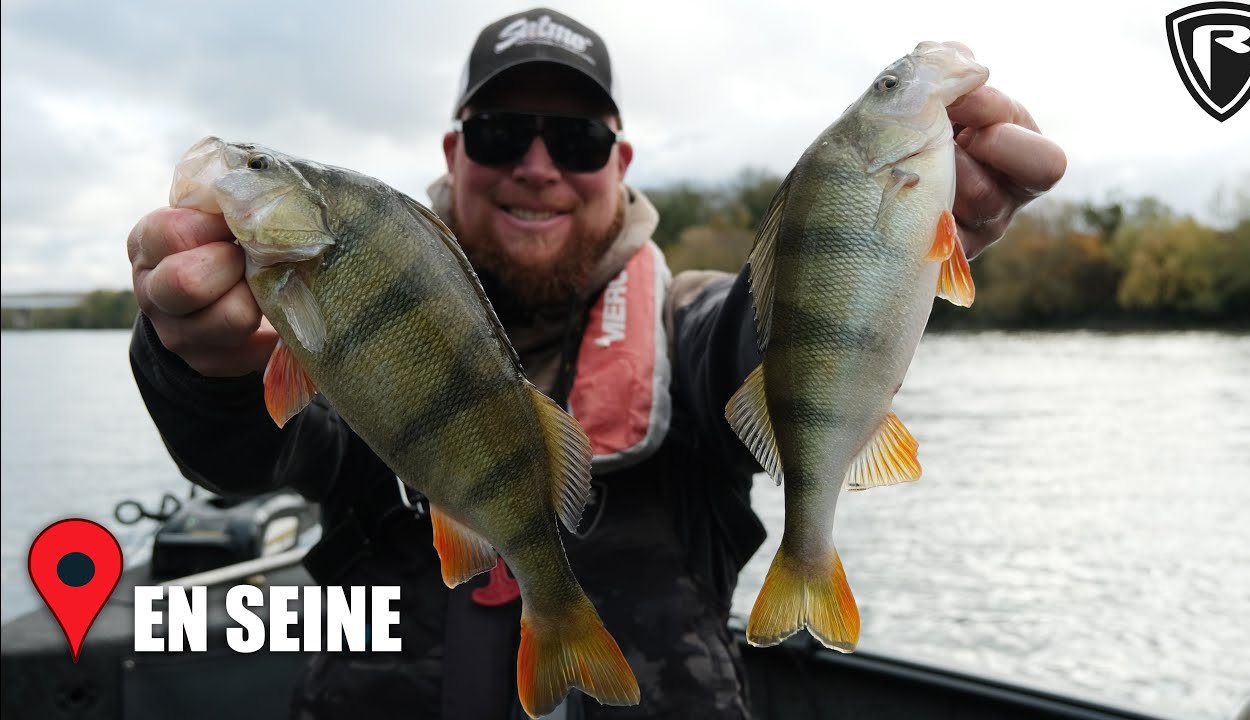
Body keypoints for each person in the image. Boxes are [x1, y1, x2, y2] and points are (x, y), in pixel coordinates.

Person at [126, 7, 1067, 719]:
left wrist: (880, 252)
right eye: (501, 134)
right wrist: (197, 363)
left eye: (574, 140)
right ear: (455, 153)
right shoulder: (347, 310)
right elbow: (257, 455)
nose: (538, 165)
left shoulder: (688, 314)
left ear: (620, 164)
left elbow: (748, 342)